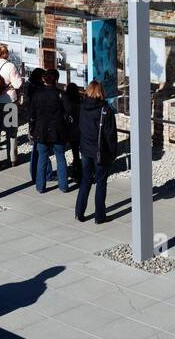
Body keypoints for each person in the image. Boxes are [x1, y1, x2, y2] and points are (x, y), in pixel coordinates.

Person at [77, 80, 118, 223]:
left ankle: (79, 212)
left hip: (86, 149)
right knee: (101, 183)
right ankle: (99, 216)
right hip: (101, 152)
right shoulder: (105, 110)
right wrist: (113, 153)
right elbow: (110, 135)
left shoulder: (82, 106)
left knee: (86, 180)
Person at [31, 65, 72, 193]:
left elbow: (32, 114)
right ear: (56, 80)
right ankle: (64, 186)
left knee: (42, 158)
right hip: (58, 131)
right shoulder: (61, 94)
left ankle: (40, 186)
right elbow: (69, 110)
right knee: (60, 157)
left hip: (41, 130)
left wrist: (32, 129)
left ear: (45, 79)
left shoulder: (37, 94)